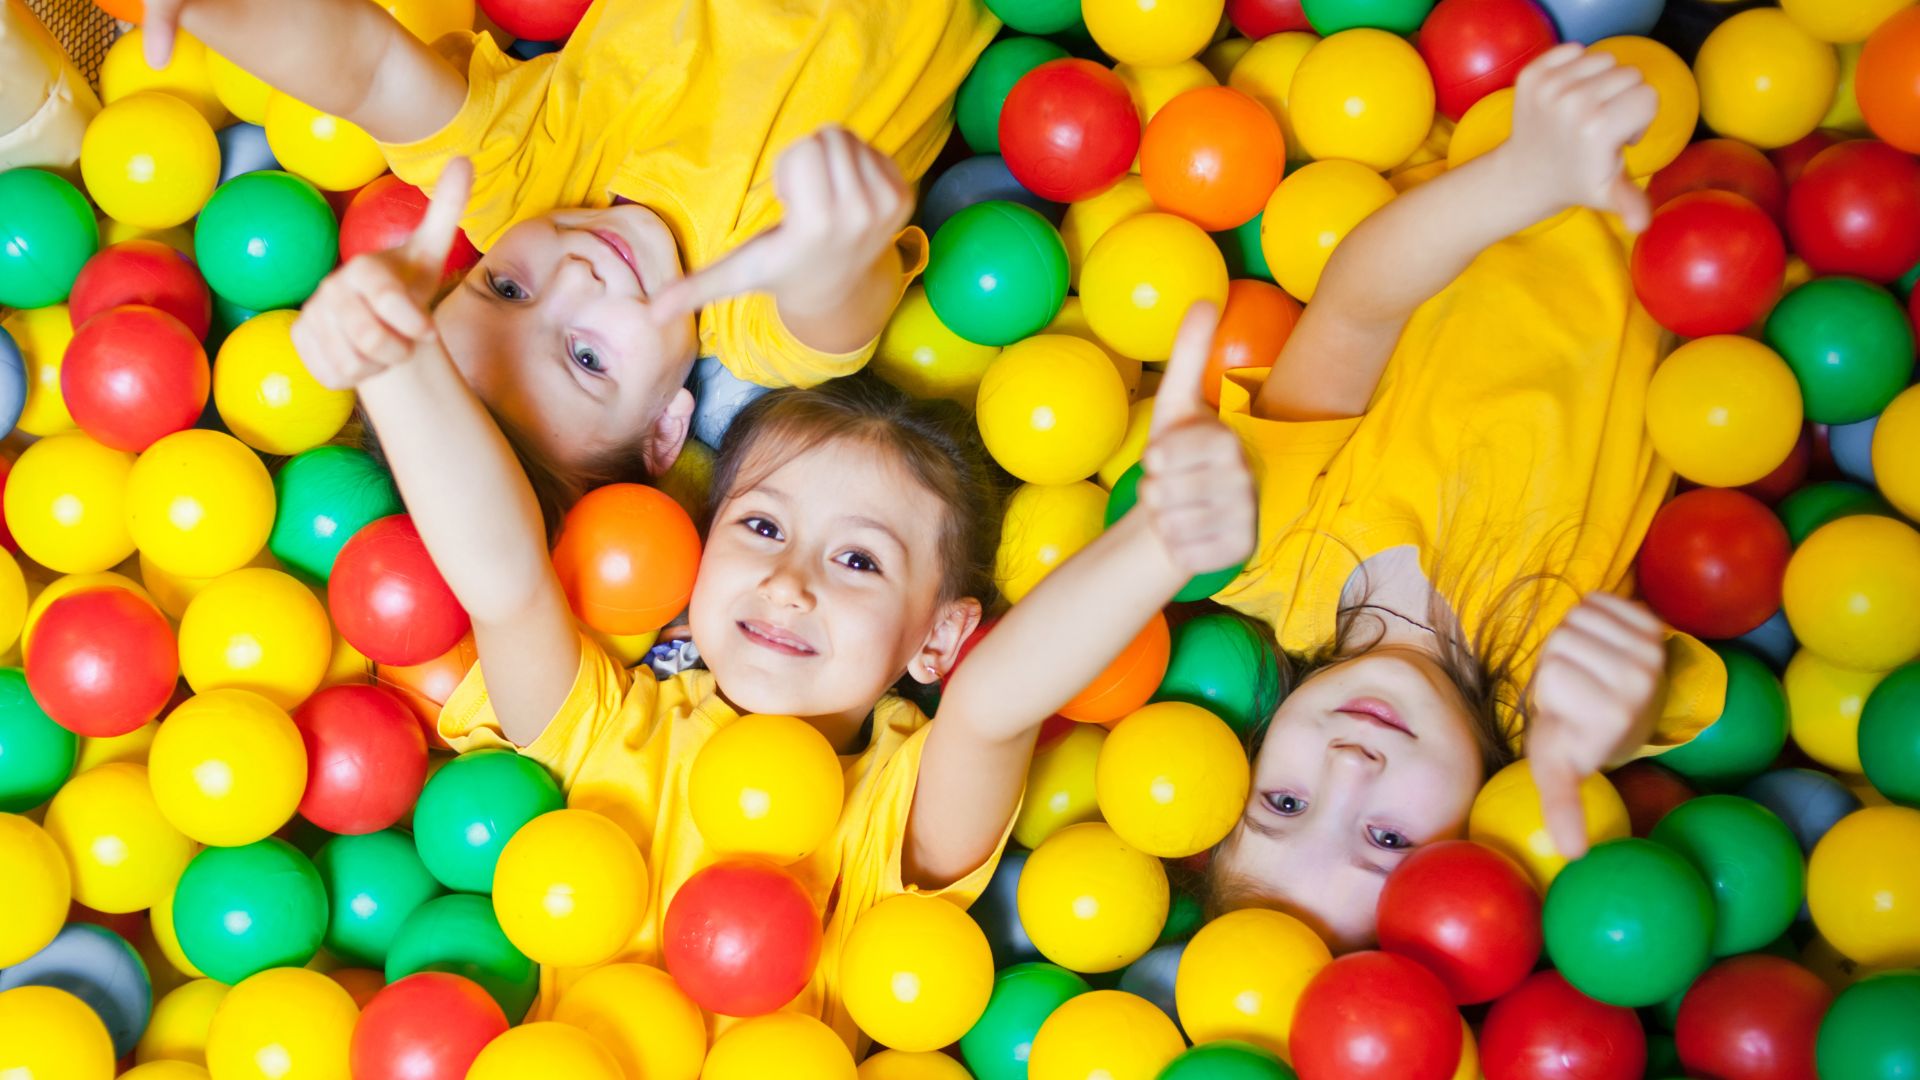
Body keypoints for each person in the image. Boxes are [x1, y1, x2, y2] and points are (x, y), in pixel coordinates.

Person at [289, 157, 1257, 1048]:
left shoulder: (894, 817)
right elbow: (503, 578)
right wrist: (400, 367)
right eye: (759, 527)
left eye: (860, 560)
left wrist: (1156, 544)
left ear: (938, 638)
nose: (791, 582)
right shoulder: (614, 733)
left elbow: (999, 700)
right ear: (699, 547)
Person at [1194, 43, 1730, 950]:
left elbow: (1356, 306)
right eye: (1385, 839)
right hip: (1701, 202)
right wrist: (1609, 718)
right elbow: (1621, 706)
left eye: (1284, 802)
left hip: (1504, 113)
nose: (1348, 765)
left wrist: (1528, 174)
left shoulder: (1274, 557)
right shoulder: (1544, 706)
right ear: (1476, 843)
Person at [141, 0, 997, 507]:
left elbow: (364, 70)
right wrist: (832, 247)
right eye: (587, 358)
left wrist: (222, 10)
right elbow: (840, 309)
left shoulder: (518, 175)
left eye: (506, 289)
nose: (575, 276)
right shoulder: (752, 321)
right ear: (666, 430)